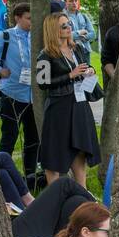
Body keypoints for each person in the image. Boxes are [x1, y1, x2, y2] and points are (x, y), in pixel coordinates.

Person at [35, 13, 101, 186]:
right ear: (53, 30)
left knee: (79, 151)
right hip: (59, 108)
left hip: (79, 105)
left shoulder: (77, 47)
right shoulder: (45, 54)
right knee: (55, 153)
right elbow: (42, 82)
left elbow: (84, 66)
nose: (69, 27)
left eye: (69, 24)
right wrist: (69, 75)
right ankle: (54, 198)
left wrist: (90, 70)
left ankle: (83, 196)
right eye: (64, 26)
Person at [0, 3, 38, 177]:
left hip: (33, 97)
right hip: (11, 94)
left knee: (33, 139)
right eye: (28, 18)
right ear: (17, 18)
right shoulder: (4, 36)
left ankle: (30, 177)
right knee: (9, 136)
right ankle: (0, 176)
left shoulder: (36, 37)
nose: (31, 22)